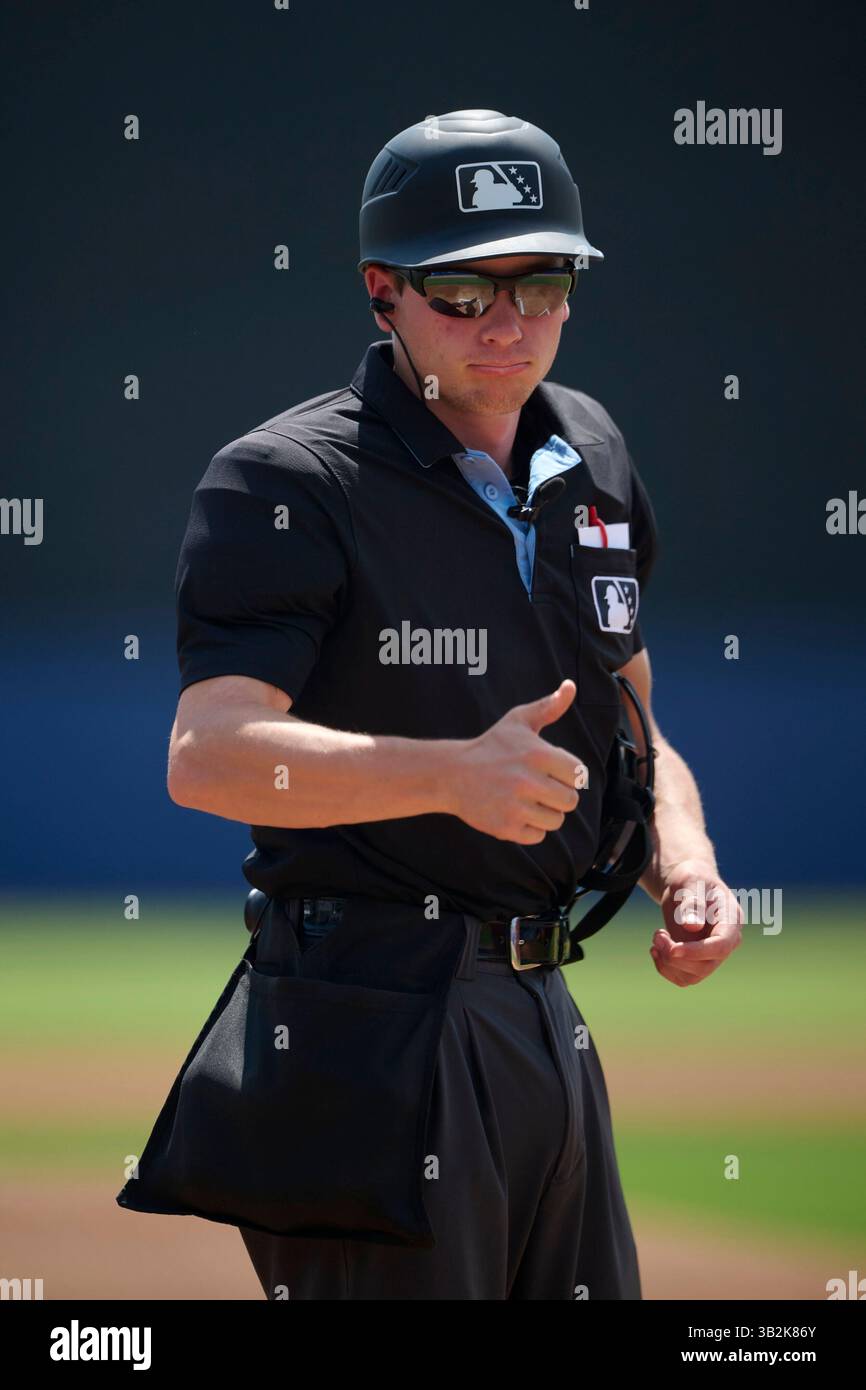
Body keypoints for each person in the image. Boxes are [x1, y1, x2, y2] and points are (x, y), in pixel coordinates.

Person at [167, 109, 743, 1300]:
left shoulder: (590, 447)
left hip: (542, 1009)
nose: (508, 320)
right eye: (460, 288)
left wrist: (681, 859)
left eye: (539, 278)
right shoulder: (286, 477)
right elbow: (208, 756)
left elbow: (628, 716)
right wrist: (444, 770)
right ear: (381, 290)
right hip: (362, 1020)